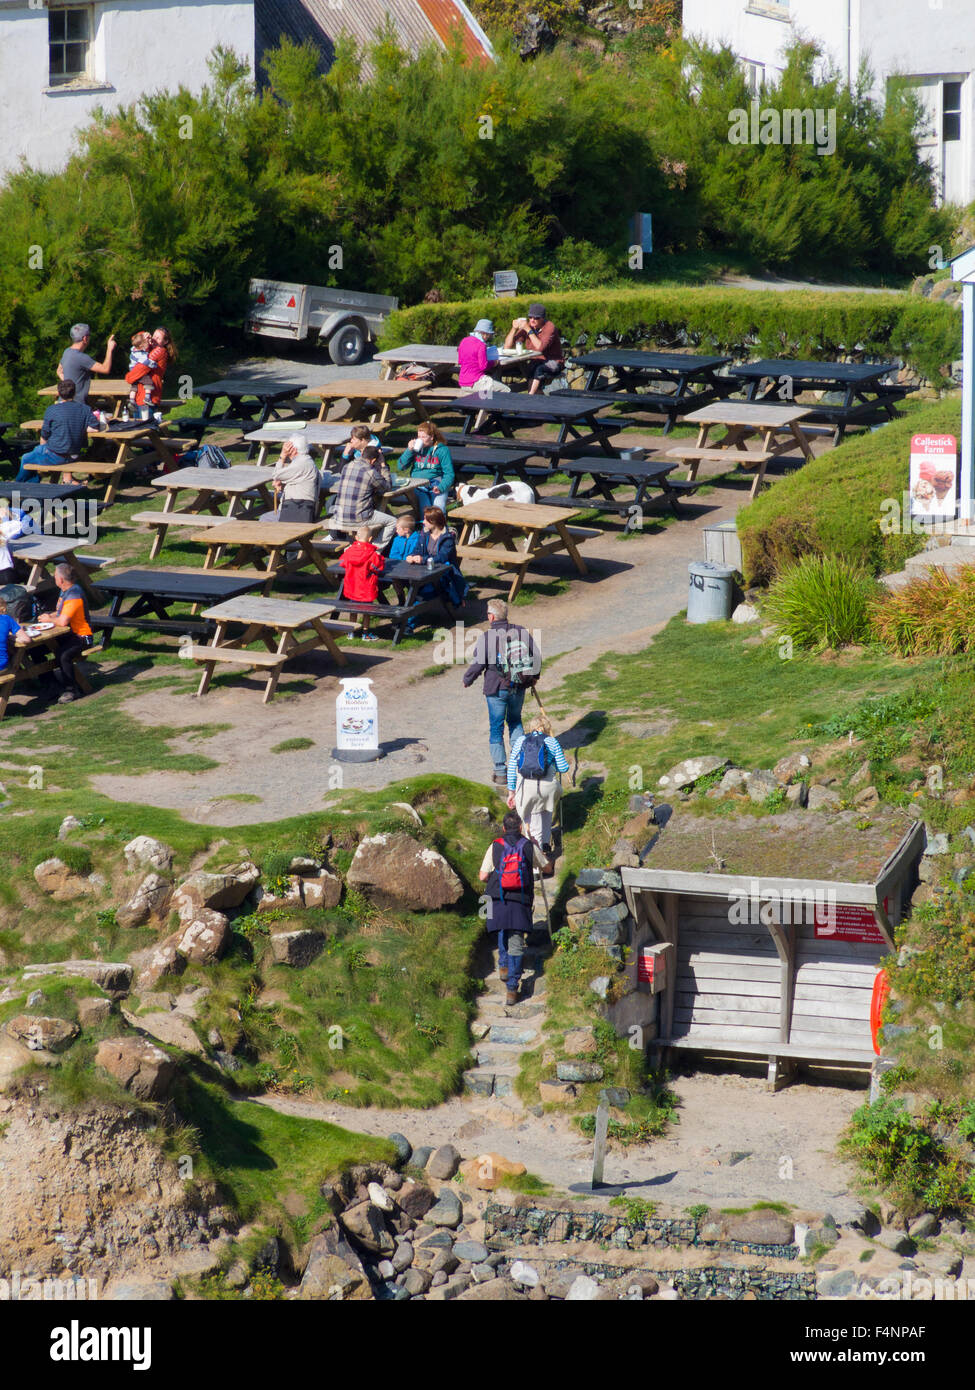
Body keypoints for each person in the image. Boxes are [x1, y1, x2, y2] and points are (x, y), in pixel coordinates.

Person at [462, 597, 540, 786]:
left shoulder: (487, 638)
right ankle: (522, 764)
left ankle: (500, 772)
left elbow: (479, 663)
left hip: (496, 689)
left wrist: (467, 679)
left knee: (496, 729)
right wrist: (534, 677)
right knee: (515, 722)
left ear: (492, 616)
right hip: (518, 686)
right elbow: (536, 656)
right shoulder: (521, 631)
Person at [479, 810, 547, 1004]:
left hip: (497, 898)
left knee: (502, 929)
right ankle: (512, 988)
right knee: (516, 942)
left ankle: (503, 967)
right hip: (521, 899)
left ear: (503, 828)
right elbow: (547, 867)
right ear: (519, 828)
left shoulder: (495, 846)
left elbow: (482, 876)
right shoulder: (527, 845)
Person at [507, 713, 569, 871]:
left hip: (527, 790)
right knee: (546, 810)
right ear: (547, 728)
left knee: (531, 825)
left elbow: (512, 769)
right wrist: (553, 762)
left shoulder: (521, 740)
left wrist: (511, 792)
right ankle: (545, 847)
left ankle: (535, 867)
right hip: (549, 789)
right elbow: (563, 768)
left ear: (531, 728)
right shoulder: (552, 741)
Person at [16, 380, 98, 483]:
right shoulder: (85, 409)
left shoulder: (52, 410)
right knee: (37, 451)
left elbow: (44, 434)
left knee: (26, 458)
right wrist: (80, 427)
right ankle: (31, 486)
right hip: (75, 454)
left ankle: (17, 488)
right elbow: (95, 427)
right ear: (74, 392)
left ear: (58, 393)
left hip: (56, 455)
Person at [35, 562, 93, 703]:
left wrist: (50, 619)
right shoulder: (65, 591)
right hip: (68, 634)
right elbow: (61, 612)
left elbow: (62, 622)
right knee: (35, 650)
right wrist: (50, 616)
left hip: (81, 636)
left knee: (63, 654)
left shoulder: (74, 595)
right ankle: (51, 685)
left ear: (61, 580)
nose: (54, 578)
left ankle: (71, 690)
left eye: (55, 576)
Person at [405, 506, 467, 618]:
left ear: (433, 521)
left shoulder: (448, 538)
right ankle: (405, 618)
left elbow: (442, 557)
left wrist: (422, 559)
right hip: (425, 571)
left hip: (444, 575)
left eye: (425, 520)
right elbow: (417, 550)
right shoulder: (424, 535)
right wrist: (411, 556)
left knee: (421, 594)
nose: (423, 522)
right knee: (411, 589)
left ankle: (407, 624)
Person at [330, 444, 397, 547]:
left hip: (339, 515)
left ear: (362, 454)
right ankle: (375, 550)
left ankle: (358, 550)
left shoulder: (347, 466)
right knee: (393, 521)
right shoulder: (370, 472)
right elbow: (387, 486)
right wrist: (383, 465)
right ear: (373, 460)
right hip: (358, 518)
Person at [504, 302, 564, 395]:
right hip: (535, 361)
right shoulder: (528, 326)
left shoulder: (549, 327)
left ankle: (531, 396)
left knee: (537, 371)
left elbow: (540, 348)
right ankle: (535, 399)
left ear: (542, 318)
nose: (532, 320)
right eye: (530, 317)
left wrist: (528, 330)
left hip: (553, 362)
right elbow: (507, 346)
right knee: (522, 370)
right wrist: (514, 329)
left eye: (536, 318)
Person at [339, 525, 386, 641]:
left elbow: (342, 562)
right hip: (366, 587)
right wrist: (382, 559)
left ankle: (351, 632)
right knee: (366, 611)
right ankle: (366, 633)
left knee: (353, 609)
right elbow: (378, 568)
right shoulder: (372, 554)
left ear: (356, 537)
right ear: (370, 539)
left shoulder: (349, 551)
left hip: (352, 586)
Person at [260, 435, 319, 523]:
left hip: (297, 512)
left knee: (265, 519)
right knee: (267, 517)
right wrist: (282, 486)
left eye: (287, 446)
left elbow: (276, 475)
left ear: (293, 449)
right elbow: (298, 483)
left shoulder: (300, 464)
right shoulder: (306, 461)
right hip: (301, 509)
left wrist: (282, 456)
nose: (284, 448)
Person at [398, 422, 455, 514]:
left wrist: (441, 487)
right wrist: (409, 451)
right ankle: (425, 528)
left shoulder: (442, 450)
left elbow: (449, 474)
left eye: (423, 437)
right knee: (425, 507)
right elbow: (401, 467)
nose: (420, 440)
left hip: (436, 483)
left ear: (431, 437)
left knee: (438, 508)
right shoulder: (415, 449)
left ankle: (442, 528)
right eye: (418, 437)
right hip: (418, 484)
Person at [56, 323, 116, 404]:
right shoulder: (82, 358)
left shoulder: (67, 351)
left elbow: (59, 371)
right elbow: (105, 369)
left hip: (63, 402)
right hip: (77, 404)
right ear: (85, 338)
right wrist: (109, 349)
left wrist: (70, 384)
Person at [126, 325, 177, 417]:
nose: (154, 339)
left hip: (149, 399)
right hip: (139, 397)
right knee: (138, 428)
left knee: (145, 429)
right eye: (153, 336)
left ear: (165, 342)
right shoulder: (148, 349)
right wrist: (143, 335)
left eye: (158, 338)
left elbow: (133, 375)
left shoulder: (159, 351)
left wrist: (129, 377)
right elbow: (134, 340)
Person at [458, 319, 511, 395]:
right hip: (476, 381)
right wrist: (494, 363)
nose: (488, 337)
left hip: (463, 381)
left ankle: (484, 406)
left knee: (487, 393)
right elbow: (483, 366)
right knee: (506, 390)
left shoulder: (464, 341)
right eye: (489, 335)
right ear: (485, 334)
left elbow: (460, 361)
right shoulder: (481, 345)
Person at [0, 498, 32, 585]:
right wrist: (6, 514)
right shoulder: (3, 529)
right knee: (28, 572)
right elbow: (20, 525)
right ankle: (35, 595)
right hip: (5, 573)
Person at [126, 332, 152, 415]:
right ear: (141, 346)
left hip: (132, 370)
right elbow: (146, 363)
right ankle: (147, 398)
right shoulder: (141, 354)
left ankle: (132, 401)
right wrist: (153, 364)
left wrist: (146, 337)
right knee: (148, 382)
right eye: (145, 343)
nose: (147, 344)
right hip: (137, 371)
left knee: (134, 386)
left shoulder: (133, 349)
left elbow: (136, 338)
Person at [0, 596, 21, 673]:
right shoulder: (5, 618)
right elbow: (26, 639)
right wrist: (12, 637)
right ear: (3, 609)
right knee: (13, 662)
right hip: (1, 666)